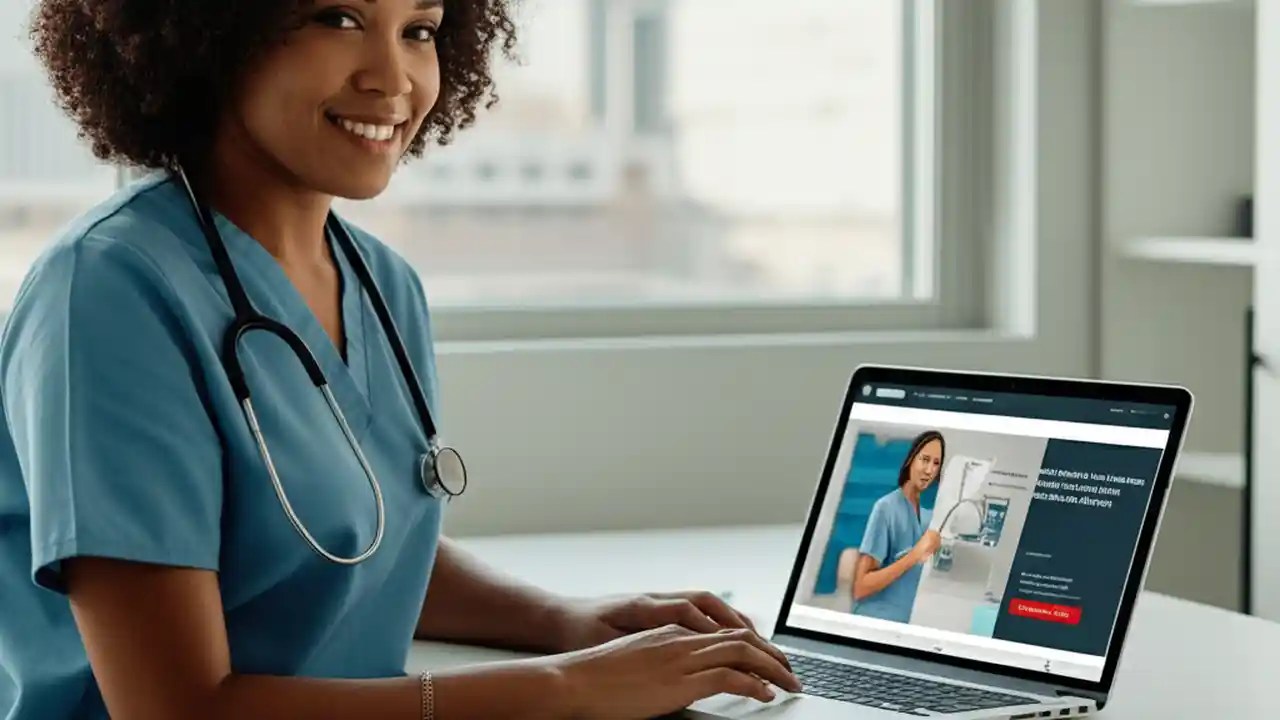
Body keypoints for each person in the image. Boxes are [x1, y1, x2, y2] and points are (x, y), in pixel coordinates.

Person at [0, 2, 802, 718]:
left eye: (419, 30)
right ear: (212, 34)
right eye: (337, 19)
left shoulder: (382, 284)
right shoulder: (109, 292)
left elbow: (348, 546)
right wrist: (566, 688)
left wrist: (566, 620)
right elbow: (175, 708)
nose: (394, 77)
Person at [851, 430, 946, 623]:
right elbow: (860, 587)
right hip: (873, 624)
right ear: (911, 459)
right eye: (925, 459)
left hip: (905, 629)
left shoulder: (928, 519)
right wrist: (915, 554)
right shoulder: (886, 508)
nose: (929, 470)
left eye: (936, 463)